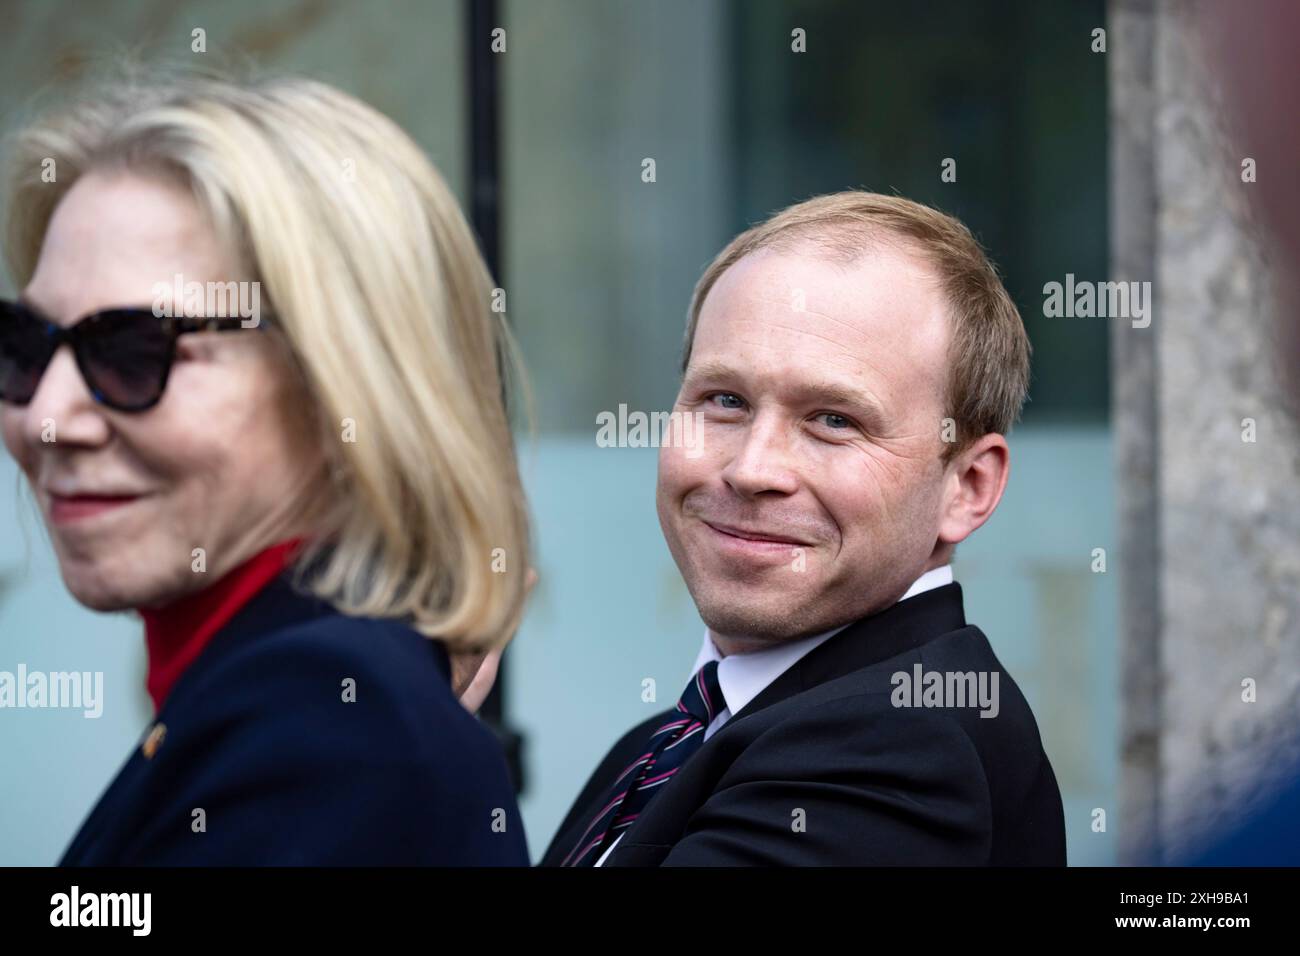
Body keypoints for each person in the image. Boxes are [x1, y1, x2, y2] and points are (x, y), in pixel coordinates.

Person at [0, 69, 532, 865]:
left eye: (133, 350)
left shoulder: (333, 740)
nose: (47, 418)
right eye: (25, 346)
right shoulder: (307, 710)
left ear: (340, 379)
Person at [541, 192, 1066, 866]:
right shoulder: (670, 744)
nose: (753, 469)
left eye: (834, 420)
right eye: (724, 401)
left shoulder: (897, 752)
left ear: (967, 487)